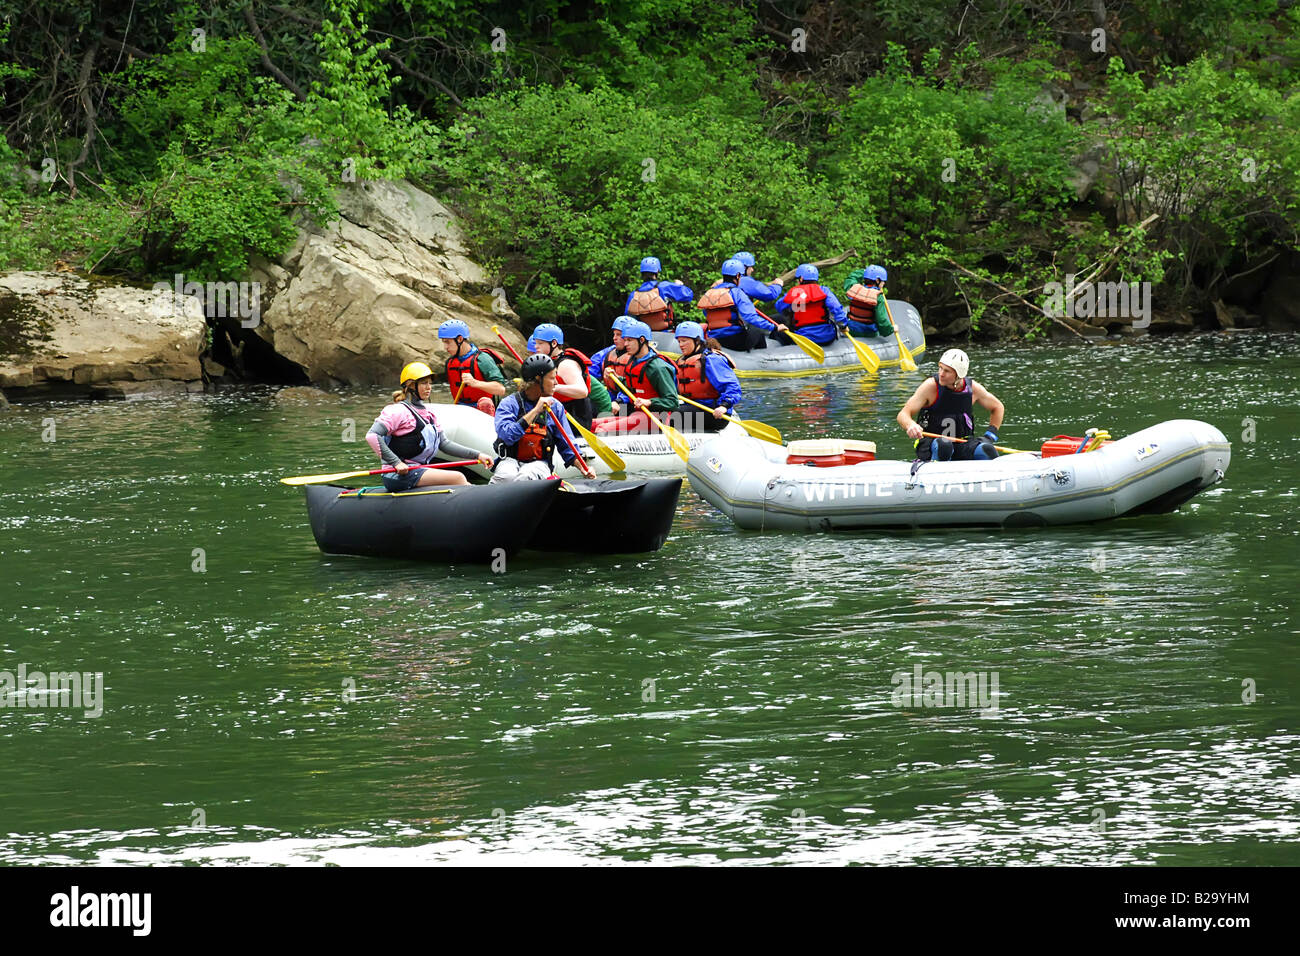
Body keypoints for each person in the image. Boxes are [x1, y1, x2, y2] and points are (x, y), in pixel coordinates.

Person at [366, 362, 494, 490]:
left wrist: (477, 455)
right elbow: (372, 435)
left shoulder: (430, 414)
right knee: (458, 477)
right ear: (410, 385)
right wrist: (396, 463)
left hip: (418, 470)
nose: (428, 387)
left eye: (430, 383)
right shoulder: (398, 411)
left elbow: (444, 444)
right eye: (423, 383)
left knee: (458, 478)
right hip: (396, 474)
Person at [492, 355, 591, 482]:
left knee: (526, 476)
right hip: (510, 460)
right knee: (506, 477)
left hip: (540, 463)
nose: (556, 383)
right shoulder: (509, 403)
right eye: (552, 378)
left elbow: (567, 445)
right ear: (538, 380)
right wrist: (535, 411)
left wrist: (583, 467)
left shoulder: (555, 407)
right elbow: (507, 436)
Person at [897, 348, 1005, 462]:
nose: (941, 374)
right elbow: (903, 414)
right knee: (944, 445)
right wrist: (910, 425)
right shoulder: (930, 386)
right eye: (940, 368)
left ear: (959, 375)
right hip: (931, 445)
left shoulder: (973, 389)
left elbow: (998, 407)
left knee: (987, 450)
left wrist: (990, 436)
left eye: (947, 371)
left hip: (961, 443)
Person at [594, 319, 680, 434]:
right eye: (625, 340)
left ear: (642, 340)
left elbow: (672, 402)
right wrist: (616, 379)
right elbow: (632, 387)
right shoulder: (633, 362)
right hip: (638, 414)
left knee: (602, 429)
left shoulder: (658, 368)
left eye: (629, 340)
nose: (625, 344)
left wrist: (649, 402)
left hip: (656, 418)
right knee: (593, 424)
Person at [527, 322, 609, 429]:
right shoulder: (549, 362)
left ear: (554, 343)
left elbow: (582, 391)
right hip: (558, 414)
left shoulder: (566, 364)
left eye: (540, 343)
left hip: (575, 417)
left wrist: (553, 387)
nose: (536, 346)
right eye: (536, 343)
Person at [695, 258, 785, 352]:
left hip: (714, 340)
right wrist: (774, 327)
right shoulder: (737, 292)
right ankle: (764, 360)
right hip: (735, 341)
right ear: (738, 276)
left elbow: (707, 314)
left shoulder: (710, 292)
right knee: (757, 331)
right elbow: (750, 317)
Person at [670, 321, 741, 432]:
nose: (680, 345)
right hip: (693, 408)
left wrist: (724, 406)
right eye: (679, 341)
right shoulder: (681, 361)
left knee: (675, 414)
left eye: (684, 341)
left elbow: (732, 386)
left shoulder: (712, 359)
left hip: (715, 413)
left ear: (697, 341)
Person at [438, 319, 508, 407]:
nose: (445, 347)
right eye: (444, 342)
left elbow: (501, 389)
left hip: (483, 411)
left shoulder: (483, 359)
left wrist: (475, 383)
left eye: (447, 342)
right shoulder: (450, 362)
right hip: (460, 409)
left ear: (460, 339)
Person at [774, 263, 846, 346]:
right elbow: (836, 308)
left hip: (802, 339)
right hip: (827, 337)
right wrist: (843, 326)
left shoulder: (794, 293)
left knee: (777, 333)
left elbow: (779, 307)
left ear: (801, 278)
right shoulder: (824, 290)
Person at [624, 256, 694, 332]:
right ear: (657, 272)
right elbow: (688, 295)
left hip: (645, 335)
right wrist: (680, 286)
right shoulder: (664, 287)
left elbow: (629, 318)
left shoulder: (634, 294)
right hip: (666, 332)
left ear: (642, 273)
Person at [841, 264, 895, 338]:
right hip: (868, 332)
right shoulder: (878, 296)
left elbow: (851, 277)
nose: (884, 283)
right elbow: (881, 320)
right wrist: (891, 329)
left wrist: (866, 271)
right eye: (883, 281)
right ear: (877, 280)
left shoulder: (854, 289)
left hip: (851, 330)